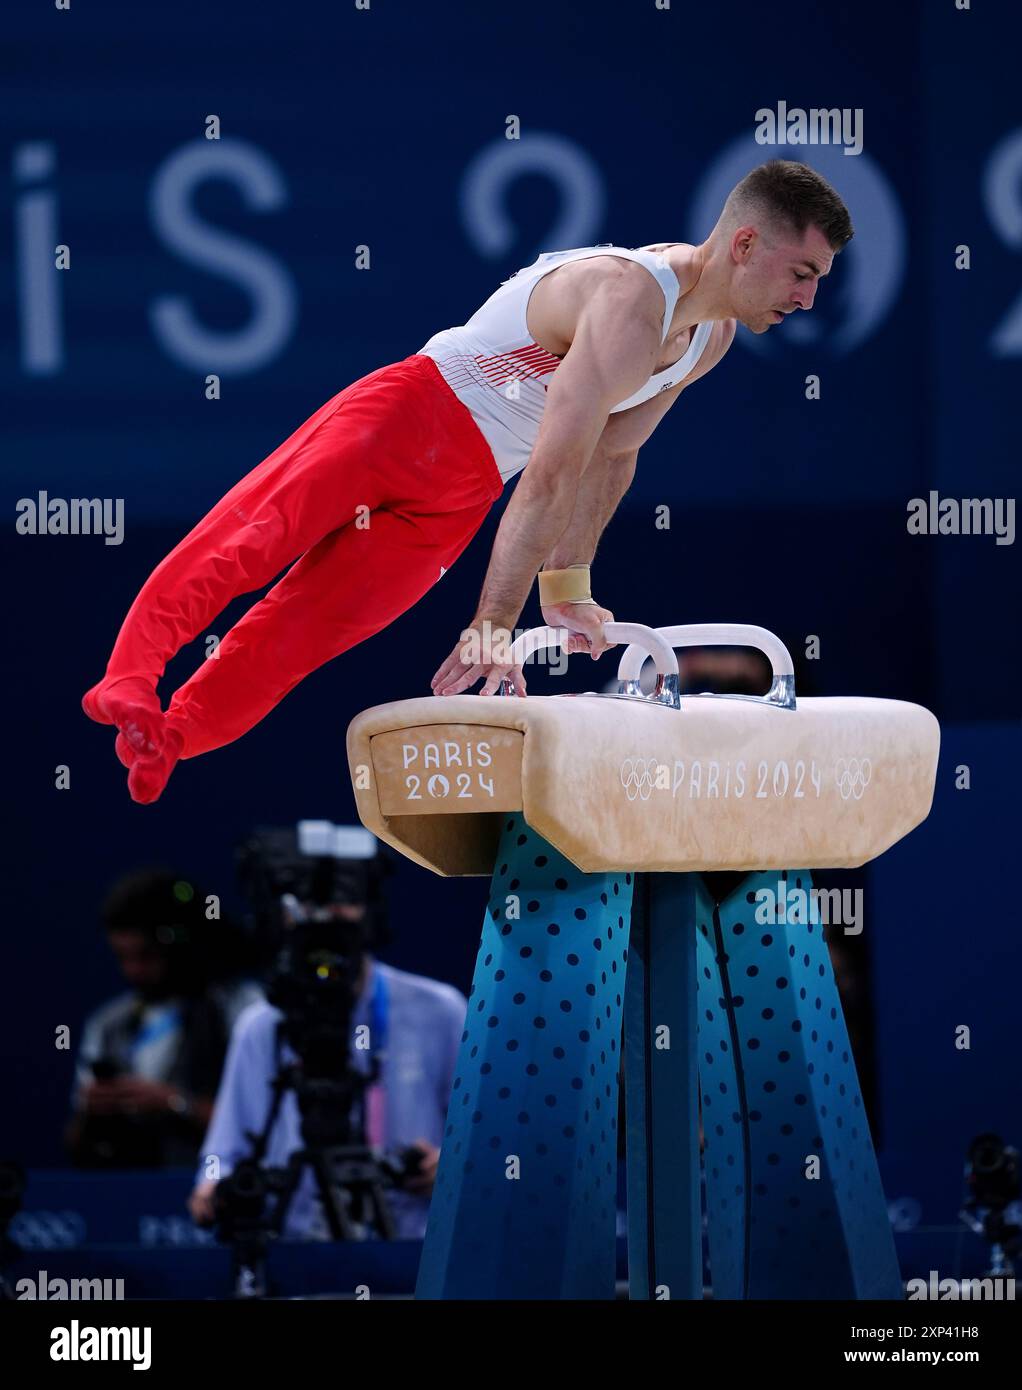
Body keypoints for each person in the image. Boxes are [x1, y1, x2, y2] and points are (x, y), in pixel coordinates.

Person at [82, 159, 852, 802]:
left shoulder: (706, 340)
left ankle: (171, 737)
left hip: (461, 494)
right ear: (745, 243)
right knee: (246, 546)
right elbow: (551, 471)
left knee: (309, 628)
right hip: (404, 418)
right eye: (803, 271)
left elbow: (609, 457)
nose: (809, 297)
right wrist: (493, 622)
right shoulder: (626, 300)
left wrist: (566, 589)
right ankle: (127, 681)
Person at [187, 945, 466, 1240]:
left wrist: (454, 1167)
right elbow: (222, 1157)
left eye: (339, 903)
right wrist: (214, 1188)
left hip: (415, 1249)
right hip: (295, 1249)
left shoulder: (441, 1010)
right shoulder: (261, 1026)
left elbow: (493, 1149)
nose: (326, 918)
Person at [66, 869, 263, 1167]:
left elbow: (264, 1123)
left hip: (224, 1191)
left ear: (180, 945)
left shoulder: (244, 1009)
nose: (133, 971)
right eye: (123, 958)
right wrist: (92, 1114)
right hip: (130, 1195)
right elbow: (75, 1144)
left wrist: (176, 1105)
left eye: (146, 956)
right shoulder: (108, 1024)